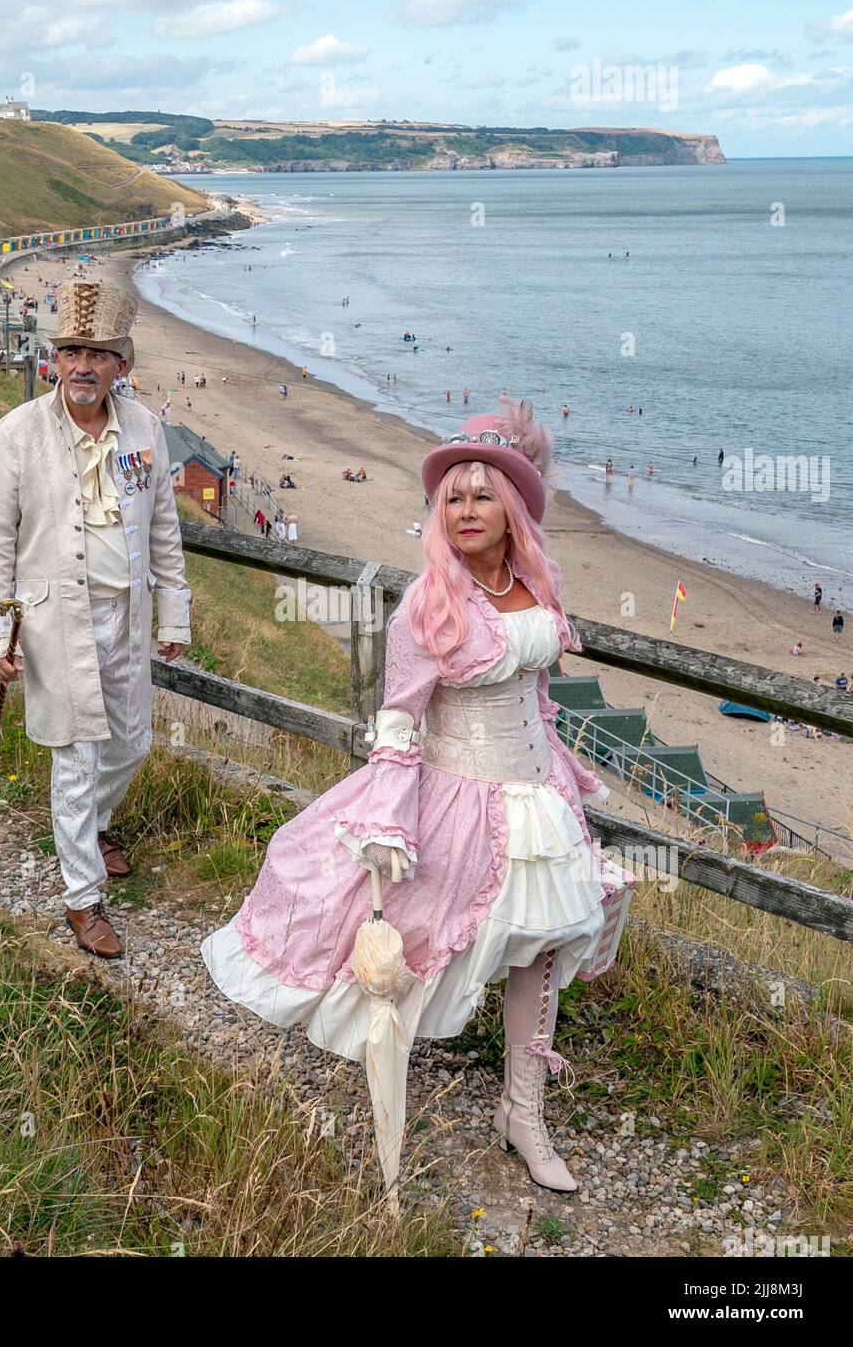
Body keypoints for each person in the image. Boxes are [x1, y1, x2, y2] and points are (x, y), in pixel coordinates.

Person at [201, 402, 632, 1193]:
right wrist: (390, 823)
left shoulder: (530, 586)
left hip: (536, 803)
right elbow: (397, 726)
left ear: (514, 509)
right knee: (407, 952)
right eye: (453, 499)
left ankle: (521, 1112)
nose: (466, 512)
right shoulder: (428, 606)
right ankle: (379, 1111)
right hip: (452, 799)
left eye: (482, 495)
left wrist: (566, 780)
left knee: (537, 949)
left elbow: (538, 701)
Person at [0, 280, 192, 961]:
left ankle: (92, 825)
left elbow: (162, 528)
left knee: (131, 742)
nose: (83, 366)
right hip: (52, 620)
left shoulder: (145, 429)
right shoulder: (17, 433)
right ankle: (82, 898)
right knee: (75, 759)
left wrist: (174, 611)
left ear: (120, 365)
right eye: (72, 351)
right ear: (55, 358)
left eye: (98, 354)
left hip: (125, 614)